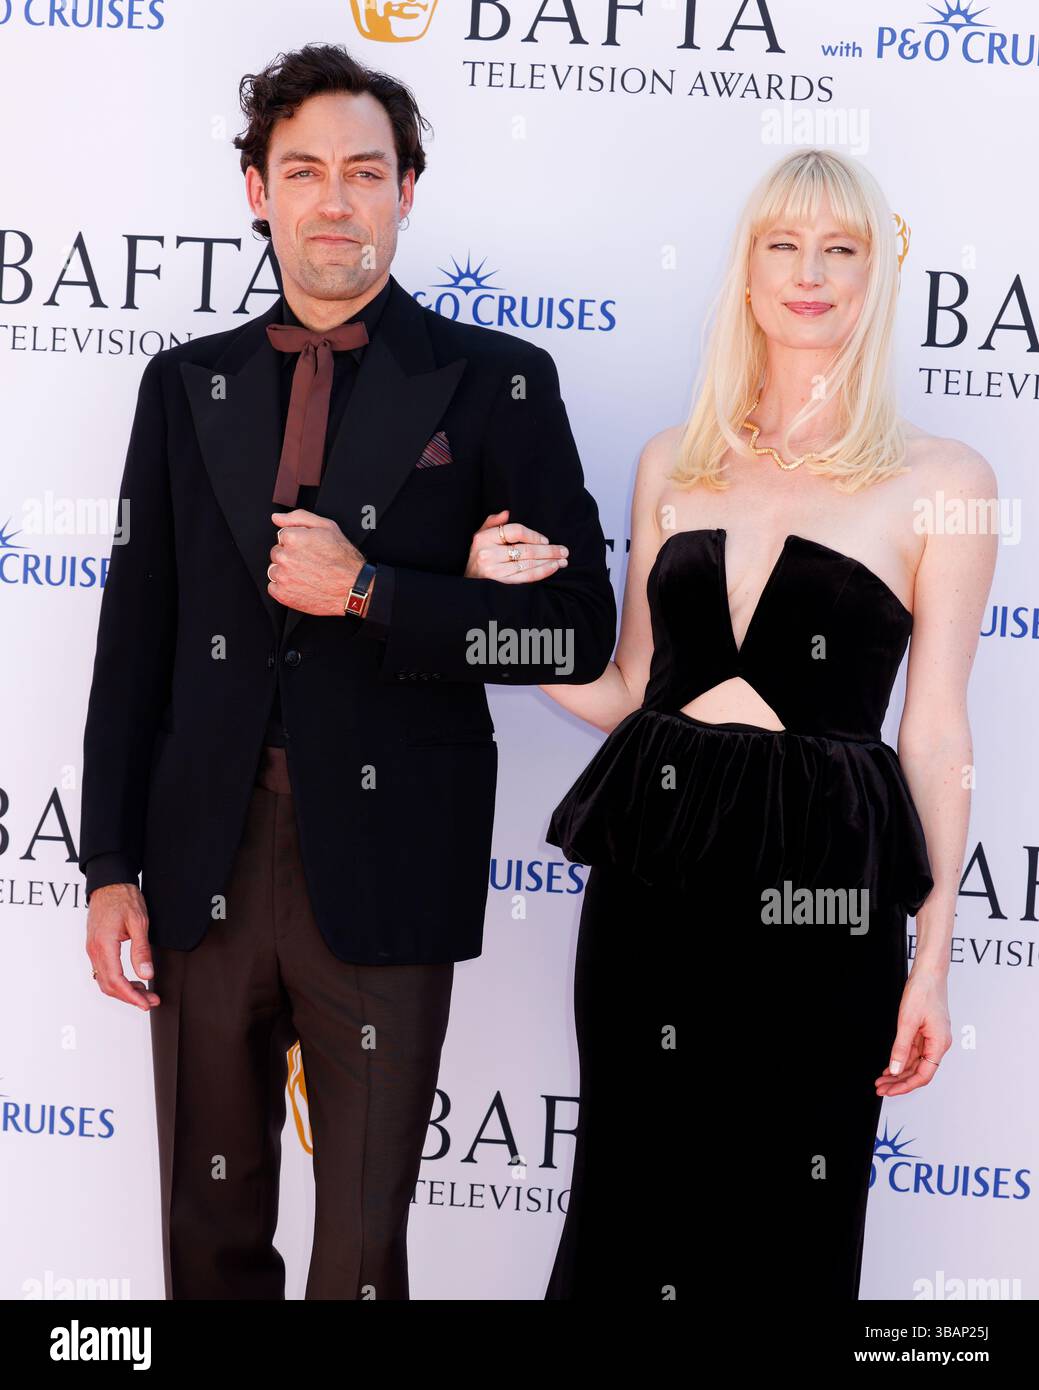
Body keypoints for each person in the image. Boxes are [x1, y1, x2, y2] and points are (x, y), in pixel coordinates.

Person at [78, 42, 615, 1300]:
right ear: (256, 190)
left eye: (363, 172)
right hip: (201, 864)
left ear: (408, 190)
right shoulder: (183, 386)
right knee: (203, 1233)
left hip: (385, 868)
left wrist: (375, 591)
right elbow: (133, 641)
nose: (334, 199)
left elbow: (576, 637)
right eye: (303, 170)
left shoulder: (498, 386)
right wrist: (110, 865)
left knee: (362, 1249)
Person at [540, 149, 998, 1300]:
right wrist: (484, 621)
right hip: (653, 896)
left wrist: (932, 964)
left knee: (787, 1217)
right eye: (783, 247)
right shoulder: (673, 463)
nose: (810, 274)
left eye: (840, 249)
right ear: (745, 274)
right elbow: (627, 692)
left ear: (874, 276)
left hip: (825, 906)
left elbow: (935, 736)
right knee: (630, 1199)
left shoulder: (943, 478)